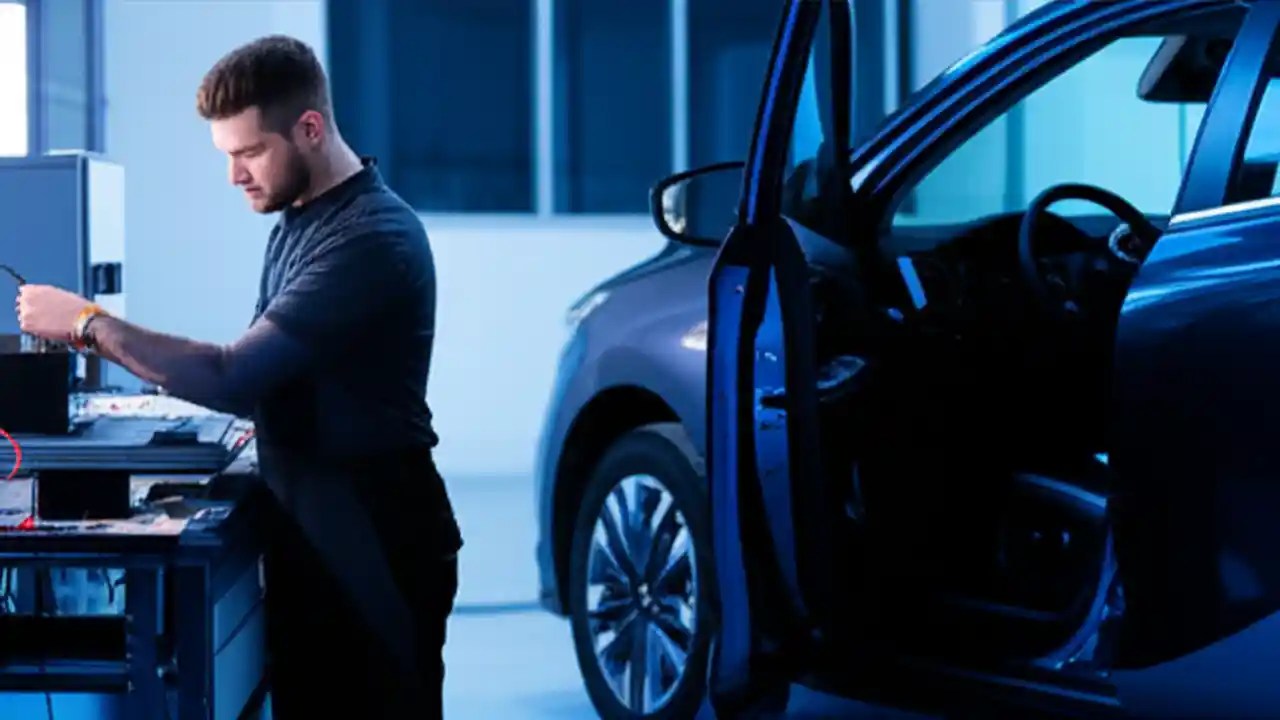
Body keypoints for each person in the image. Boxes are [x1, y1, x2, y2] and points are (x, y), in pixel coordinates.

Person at [15, 35, 463, 718]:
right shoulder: (301, 221)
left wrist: (85, 322)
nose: (235, 176)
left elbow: (235, 373)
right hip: (319, 532)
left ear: (309, 129)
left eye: (249, 153)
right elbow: (269, 369)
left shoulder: (372, 238)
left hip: (373, 545)